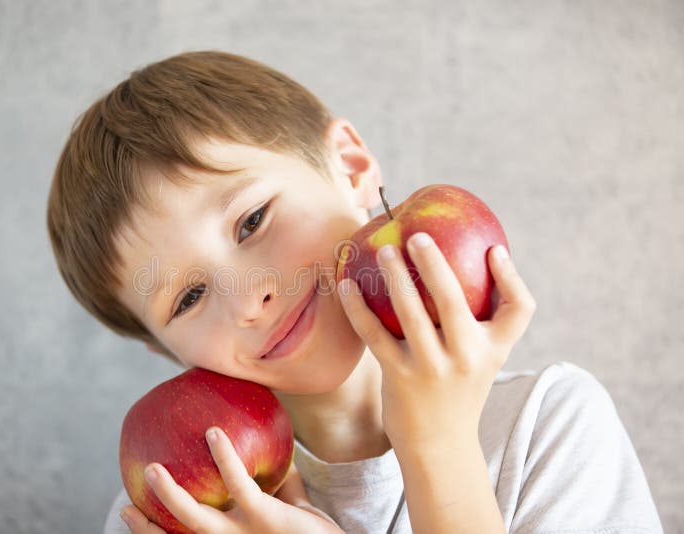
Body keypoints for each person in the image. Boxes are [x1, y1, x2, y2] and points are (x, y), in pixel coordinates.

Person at [46, 50, 663, 534]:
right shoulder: (178, 510)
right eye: (187, 298)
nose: (249, 299)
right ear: (165, 351)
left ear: (351, 166)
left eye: (253, 221)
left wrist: (437, 443)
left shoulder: (548, 428)